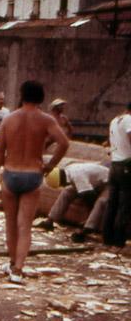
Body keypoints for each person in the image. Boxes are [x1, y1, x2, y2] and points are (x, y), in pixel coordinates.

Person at [0, 80, 70, 283]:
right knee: (24, 225)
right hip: (33, 174)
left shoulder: (9, 119)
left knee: (10, 223)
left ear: (22, 95)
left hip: (11, 172)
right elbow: (64, 142)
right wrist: (50, 165)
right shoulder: (46, 120)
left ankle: (11, 262)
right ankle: (18, 269)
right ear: (41, 96)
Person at [35, 162, 110, 243]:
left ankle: (87, 230)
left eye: (62, 184)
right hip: (94, 183)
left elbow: (89, 197)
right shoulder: (68, 171)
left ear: (62, 180)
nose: (63, 186)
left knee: (101, 202)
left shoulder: (77, 176)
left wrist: (89, 216)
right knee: (67, 191)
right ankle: (50, 220)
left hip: (109, 182)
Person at [102, 102, 131, 248]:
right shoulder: (129, 120)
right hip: (126, 164)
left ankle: (107, 236)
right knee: (124, 203)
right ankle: (119, 239)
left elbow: (111, 142)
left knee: (112, 202)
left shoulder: (115, 120)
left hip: (114, 164)